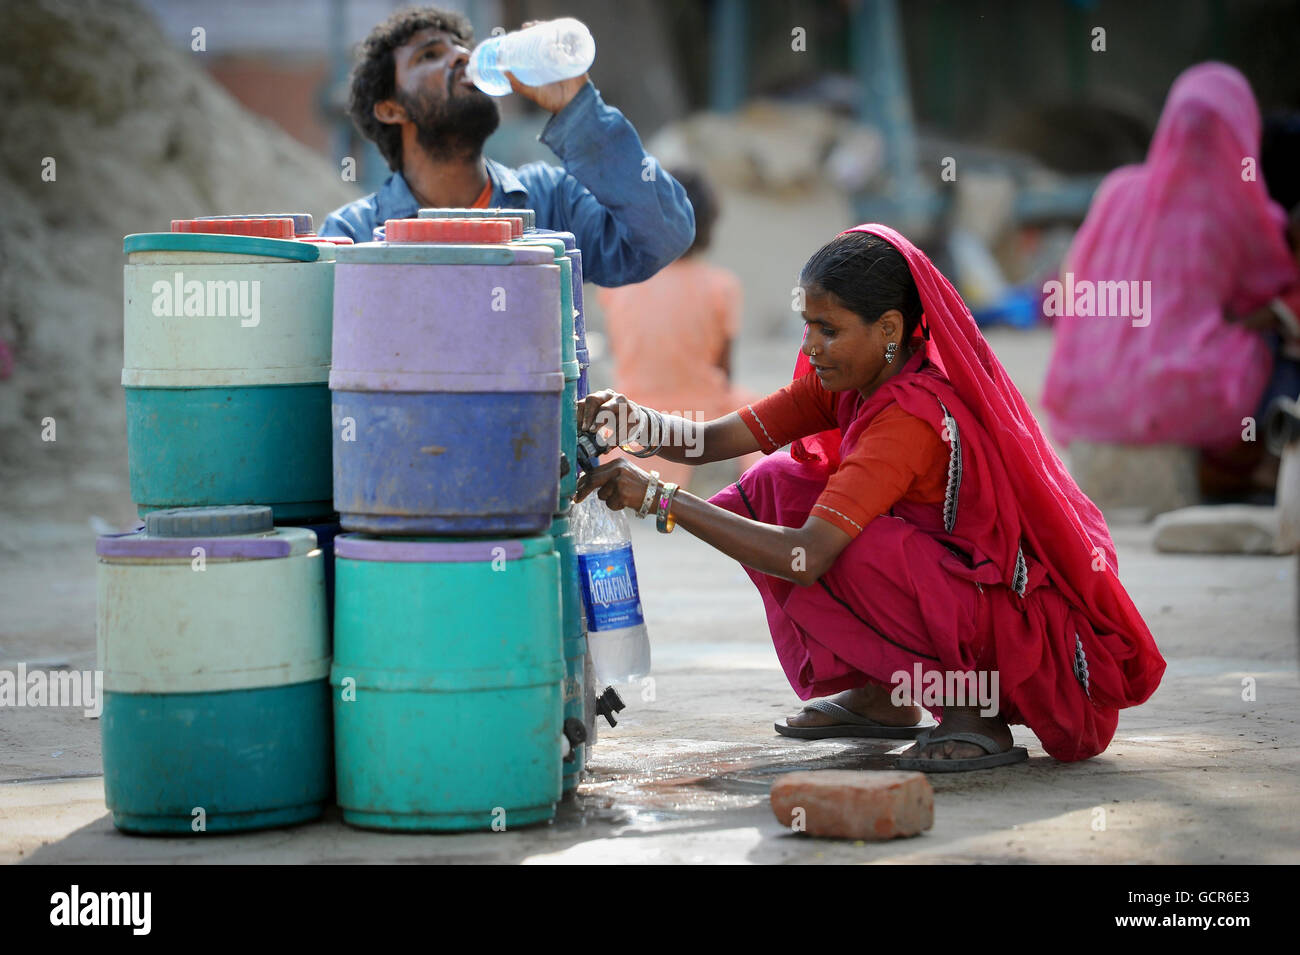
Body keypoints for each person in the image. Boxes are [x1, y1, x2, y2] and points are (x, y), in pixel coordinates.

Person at [576, 224, 1166, 771]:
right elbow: (715, 439)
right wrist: (632, 422)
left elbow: (806, 556)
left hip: (997, 620)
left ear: (888, 329)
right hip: (952, 592)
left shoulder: (908, 415)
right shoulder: (850, 377)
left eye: (829, 330)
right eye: (808, 326)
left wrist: (659, 498)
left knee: (854, 546)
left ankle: (974, 714)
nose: (812, 346)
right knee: (776, 484)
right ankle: (886, 695)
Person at [1043, 63, 1299, 497]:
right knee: (1285, 332)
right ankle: (1270, 461)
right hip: (1192, 403)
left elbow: (1072, 289)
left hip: (1088, 399)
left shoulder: (1118, 190)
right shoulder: (1244, 207)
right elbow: (1274, 286)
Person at [320, 7, 695, 287]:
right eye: (430, 55)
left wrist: (580, 111)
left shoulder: (552, 201)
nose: (462, 56)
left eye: (461, 47)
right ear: (391, 108)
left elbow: (665, 236)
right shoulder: (356, 235)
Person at [596, 167, 761, 490]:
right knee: (764, 408)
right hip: (699, 417)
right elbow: (725, 371)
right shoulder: (721, 286)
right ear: (708, 223)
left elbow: (622, 351)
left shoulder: (619, 283)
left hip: (631, 414)